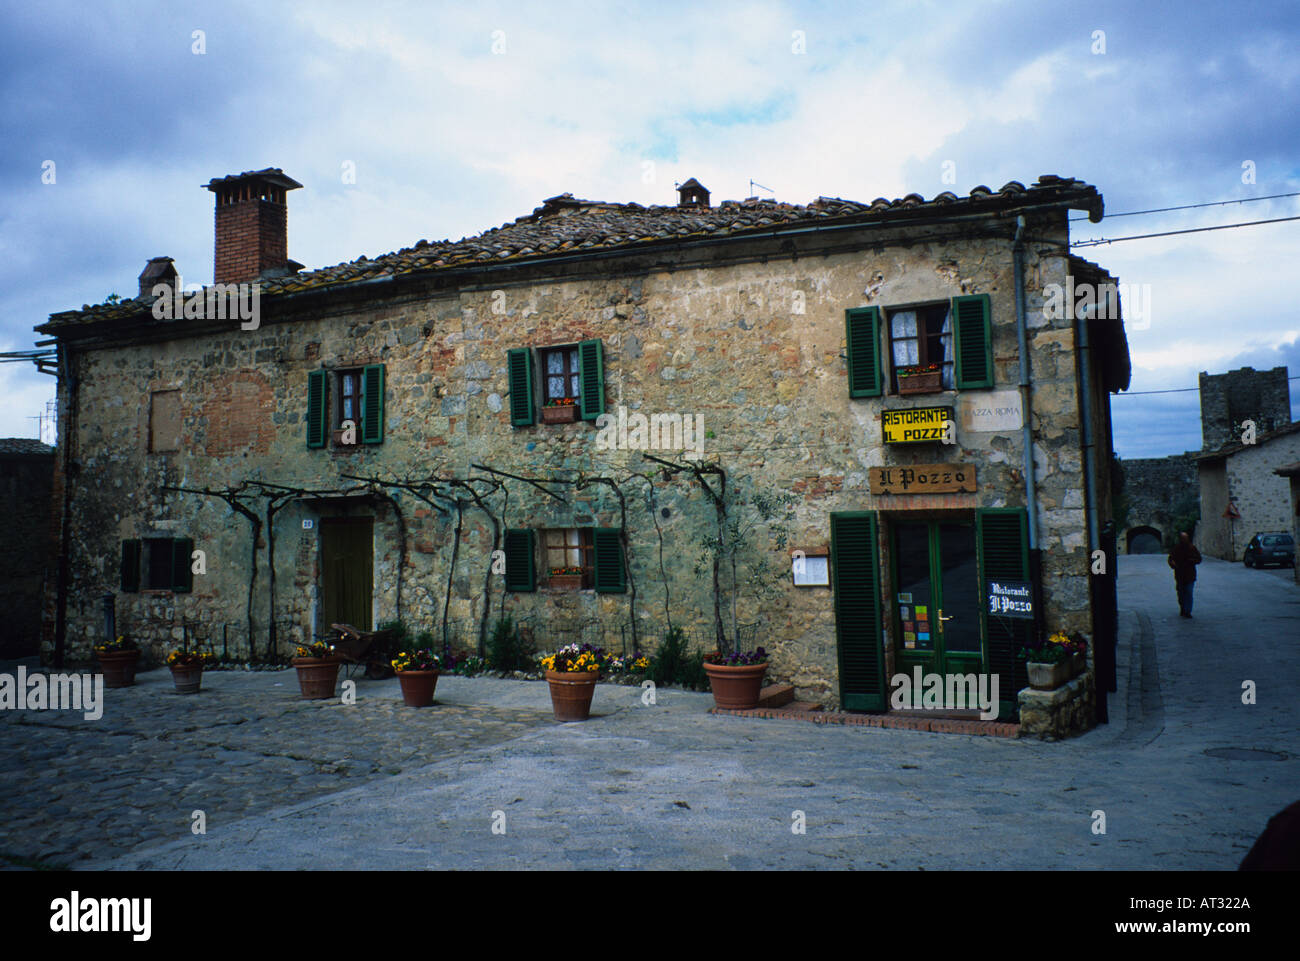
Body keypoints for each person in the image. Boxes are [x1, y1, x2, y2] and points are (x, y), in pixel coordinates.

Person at [1167, 531, 1202, 618]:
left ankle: (1188, 611)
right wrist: (1173, 564)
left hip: (1190, 574)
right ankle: (1183, 607)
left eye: (1185, 538)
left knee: (1189, 592)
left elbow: (1199, 559)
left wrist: (1192, 560)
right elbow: (1170, 559)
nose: (1184, 540)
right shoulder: (1176, 549)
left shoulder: (1192, 548)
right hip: (1180, 574)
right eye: (1183, 538)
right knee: (1181, 593)